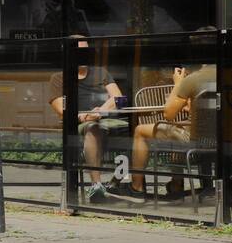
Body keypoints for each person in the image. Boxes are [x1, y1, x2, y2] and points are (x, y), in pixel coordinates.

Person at [113, 27, 220, 202]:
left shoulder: (193, 79)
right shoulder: (231, 76)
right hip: (220, 139)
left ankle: (136, 188)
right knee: (175, 131)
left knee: (140, 130)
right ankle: (176, 185)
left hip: (195, 141)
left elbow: (168, 114)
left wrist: (178, 83)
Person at [49, 35, 126, 204]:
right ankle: (96, 185)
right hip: (81, 124)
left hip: (106, 120)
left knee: (135, 132)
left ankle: (123, 184)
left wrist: (102, 110)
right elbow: (61, 109)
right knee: (93, 128)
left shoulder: (100, 72)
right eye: (79, 52)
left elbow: (119, 98)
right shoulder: (59, 77)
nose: (83, 55)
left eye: (85, 51)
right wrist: (83, 116)